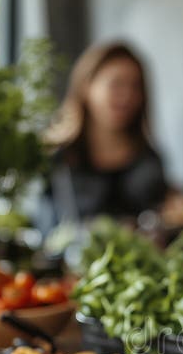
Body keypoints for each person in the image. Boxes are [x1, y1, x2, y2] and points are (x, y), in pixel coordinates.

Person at [41, 42, 167, 232]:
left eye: (135, 87)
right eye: (116, 84)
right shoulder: (59, 159)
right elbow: (44, 228)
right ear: (87, 86)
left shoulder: (149, 162)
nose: (127, 96)